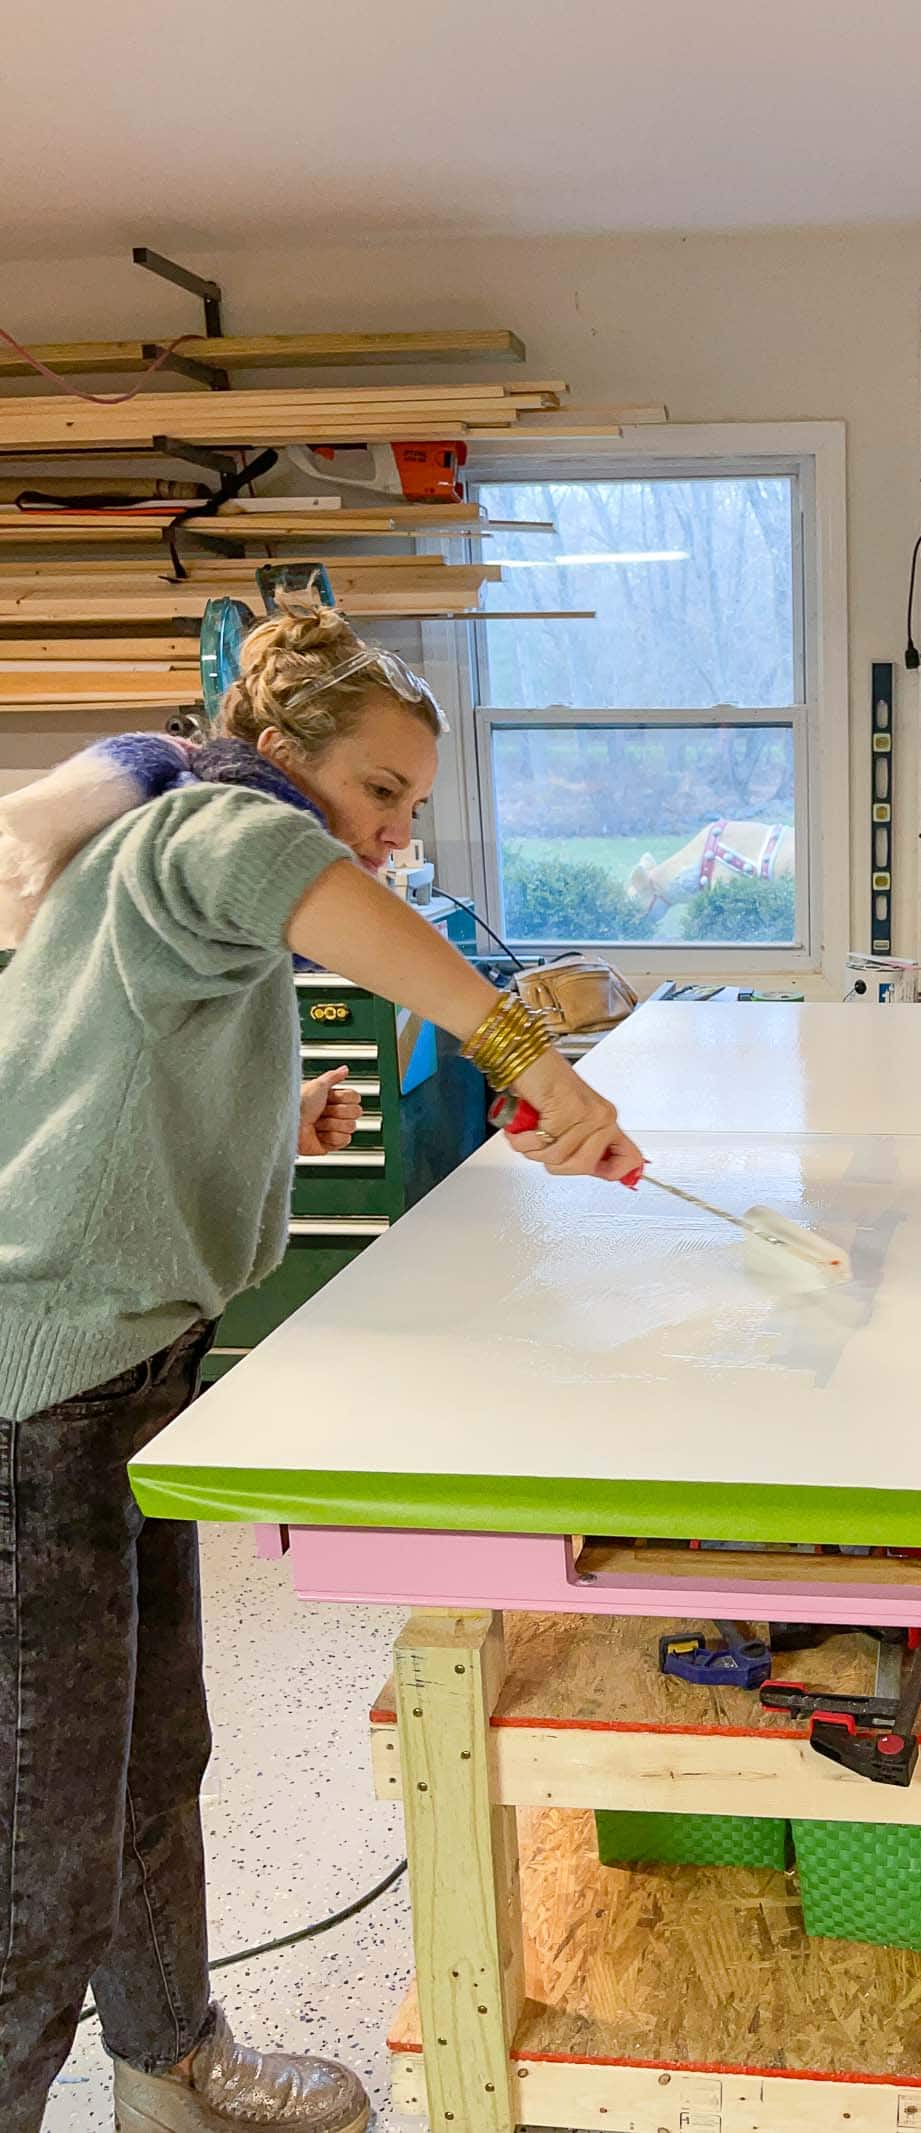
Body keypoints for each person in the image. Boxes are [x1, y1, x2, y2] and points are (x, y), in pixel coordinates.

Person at [0, 603, 644, 2133]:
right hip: (35, 1401)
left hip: (123, 1365)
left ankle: (169, 2065)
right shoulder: (215, 819)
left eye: (413, 805)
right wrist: (525, 1054)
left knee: (157, 1756)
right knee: (41, 1830)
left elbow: (93, 1069)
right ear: (283, 754)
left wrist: (270, 1128)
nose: (395, 832)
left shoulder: (163, 852)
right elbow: (291, 878)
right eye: (378, 792)